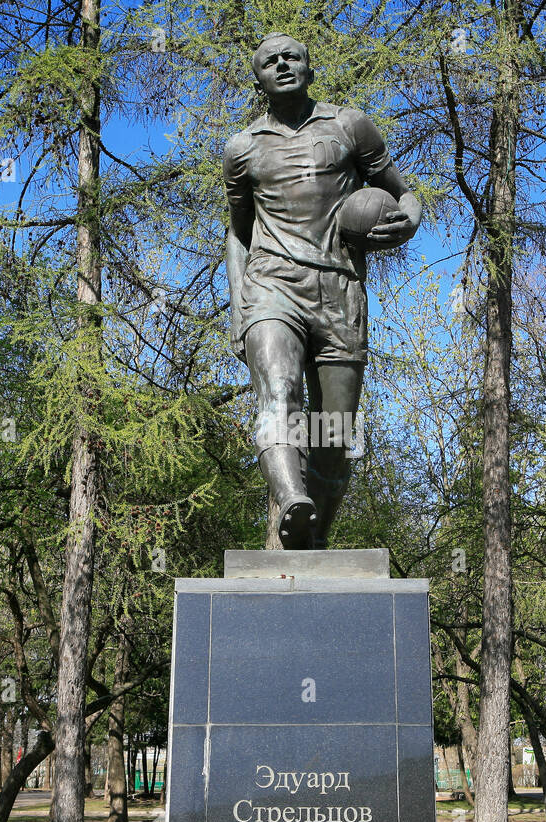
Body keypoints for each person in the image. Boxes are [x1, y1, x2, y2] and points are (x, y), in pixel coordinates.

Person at [224, 33, 421, 548]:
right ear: (259, 77)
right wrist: (238, 307)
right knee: (279, 393)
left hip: (339, 289)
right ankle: (292, 497)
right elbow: (238, 233)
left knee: (334, 437)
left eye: (292, 56)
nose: (283, 64)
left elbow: (404, 193)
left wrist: (409, 222)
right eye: (270, 61)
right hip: (271, 285)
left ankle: (313, 539)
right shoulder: (242, 149)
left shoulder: (349, 125)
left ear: (310, 68)